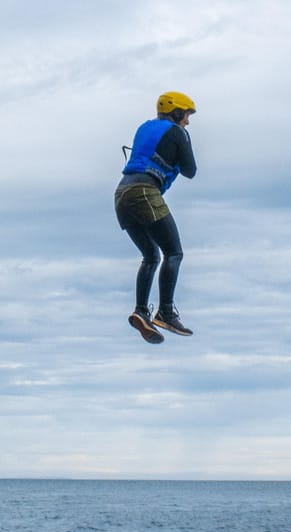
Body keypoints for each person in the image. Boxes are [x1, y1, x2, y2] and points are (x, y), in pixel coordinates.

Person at [115, 91, 198, 344]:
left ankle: (141, 311)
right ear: (176, 113)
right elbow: (190, 170)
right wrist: (184, 141)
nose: (188, 121)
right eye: (186, 115)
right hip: (144, 192)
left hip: (121, 195)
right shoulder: (177, 132)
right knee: (174, 253)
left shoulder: (145, 127)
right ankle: (165, 312)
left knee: (151, 256)